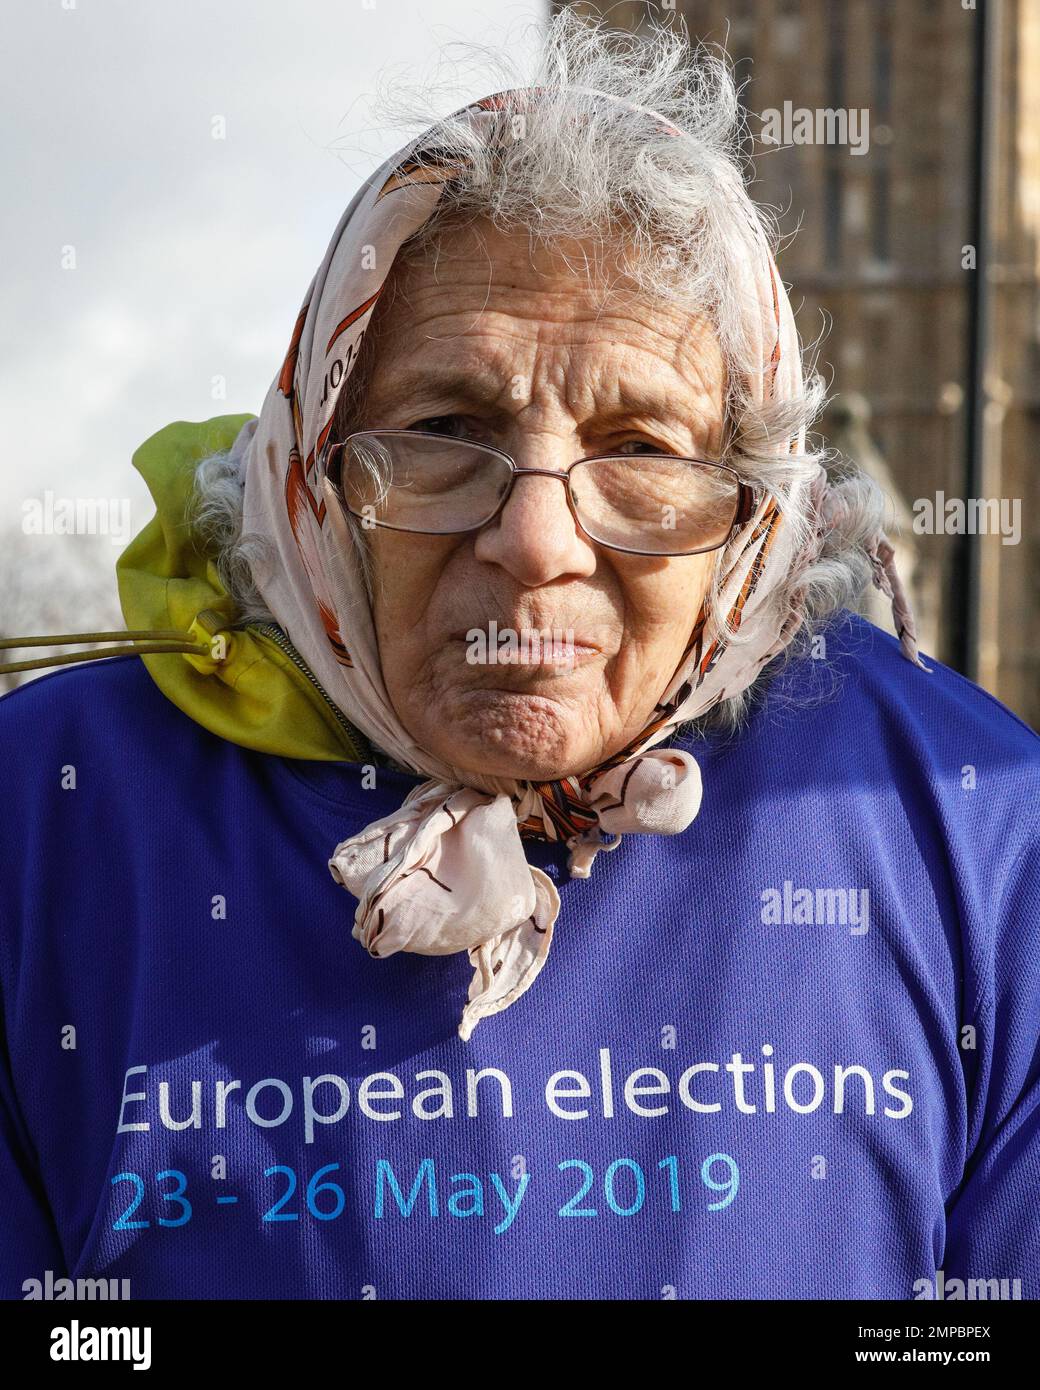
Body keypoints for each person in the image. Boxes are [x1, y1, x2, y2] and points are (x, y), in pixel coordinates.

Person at [1, 13, 1037, 1302]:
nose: (538, 537)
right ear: (317, 465)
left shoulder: (975, 835)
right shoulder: (47, 822)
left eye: (646, 450)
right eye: (443, 429)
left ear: (756, 505)